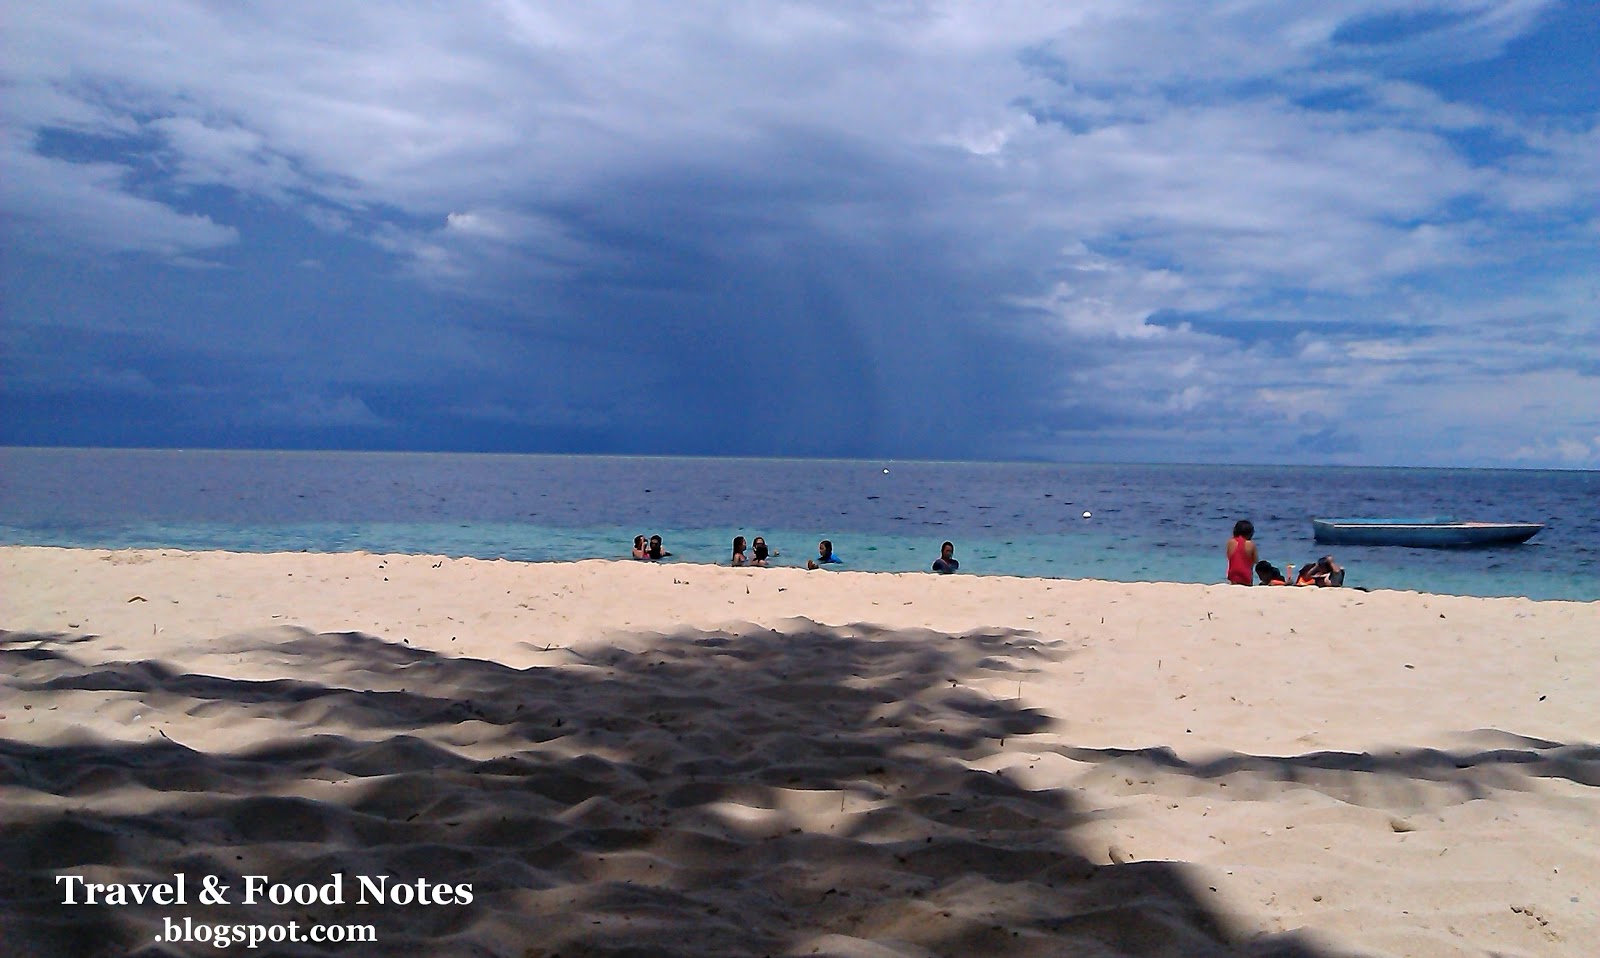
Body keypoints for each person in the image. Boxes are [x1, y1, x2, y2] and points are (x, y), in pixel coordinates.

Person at [1226, 520, 1258, 585]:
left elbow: (1229, 557)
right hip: (1246, 577)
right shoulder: (1251, 544)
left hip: (1233, 576)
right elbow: (1256, 561)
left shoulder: (1230, 542)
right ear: (1250, 533)